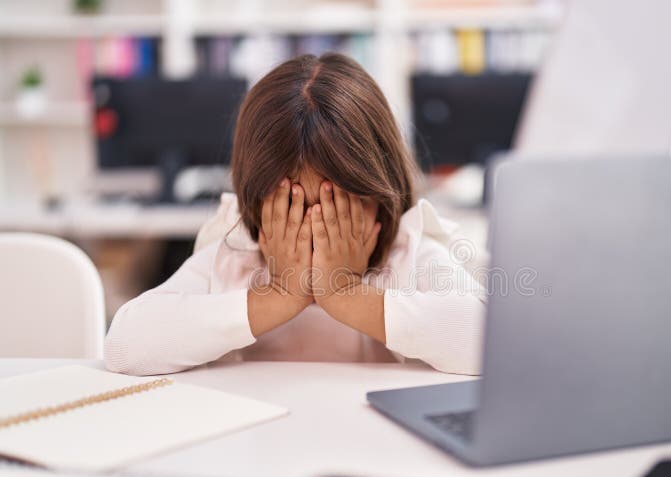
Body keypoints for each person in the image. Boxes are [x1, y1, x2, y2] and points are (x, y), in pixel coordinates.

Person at [105, 53, 486, 376]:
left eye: (338, 207)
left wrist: (348, 295)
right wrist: (278, 295)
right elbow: (124, 347)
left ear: (379, 191)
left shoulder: (409, 254)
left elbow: (493, 342)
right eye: (294, 207)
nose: (318, 228)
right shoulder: (234, 258)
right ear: (255, 201)